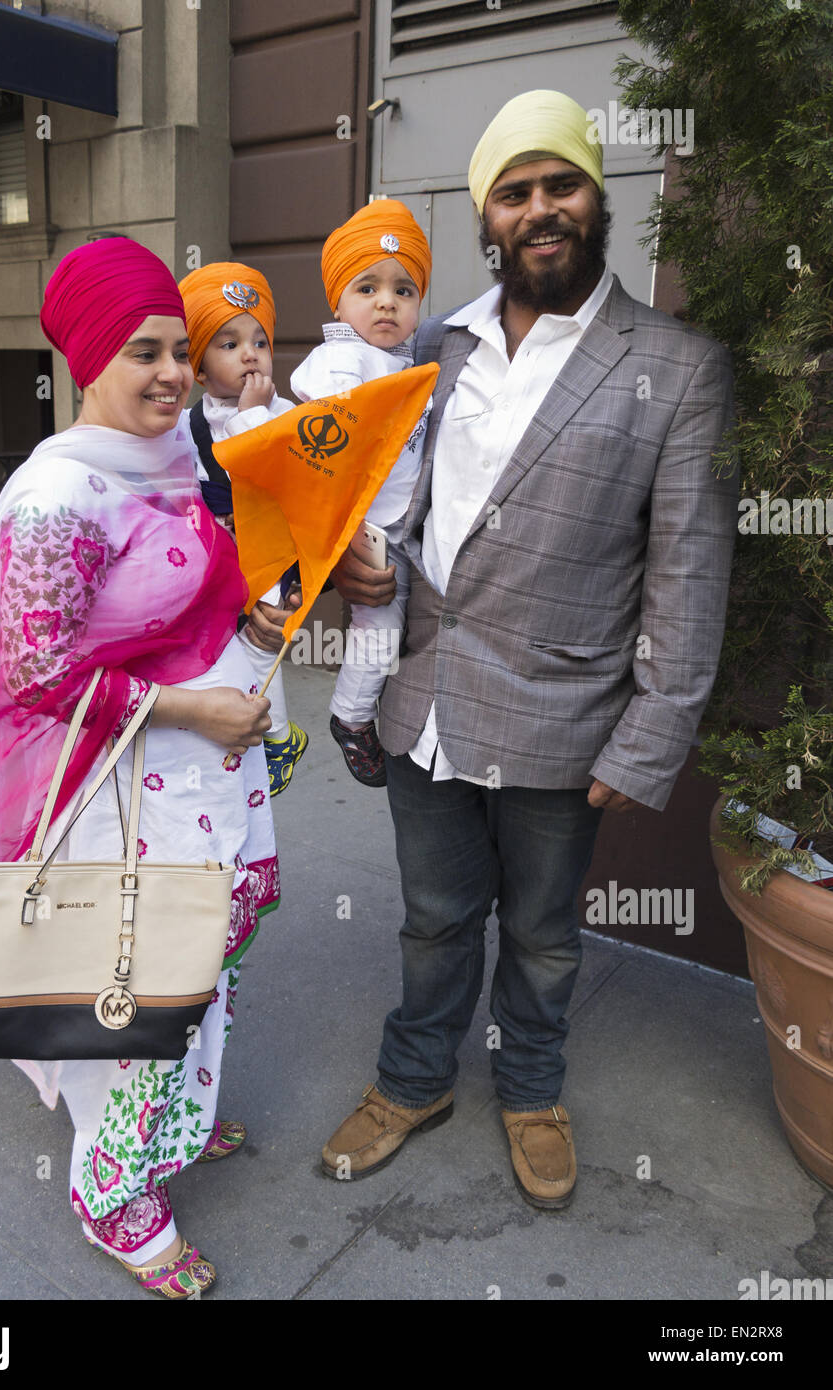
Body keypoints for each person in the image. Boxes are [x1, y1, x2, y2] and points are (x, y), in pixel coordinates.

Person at [323, 90, 739, 1208]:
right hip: (425, 700)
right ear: (485, 218)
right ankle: (415, 1079)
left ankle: (532, 1088)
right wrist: (349, 568)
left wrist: (650, 738)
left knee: (546, 936)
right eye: (515, 192)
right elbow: (367, 499)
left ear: (600, 200)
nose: (540, 209)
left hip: (566, 716)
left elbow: (690, 575)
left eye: (562, 185)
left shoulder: (677, 366)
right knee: (432, 917)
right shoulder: (427, 346)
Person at [0, 237, 279, 1298]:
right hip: (130, 796)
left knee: (198, 973)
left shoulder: (173, 457)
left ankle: (174, 1119)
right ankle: (113, 1194)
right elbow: (38, 677)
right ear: (90, 357)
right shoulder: (60, 498)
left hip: (207, 778)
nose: (175, 374)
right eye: (145, 352)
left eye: (182, 350)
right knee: (147, 995)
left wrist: (254, 618)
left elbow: (189, 598)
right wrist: (196, 705)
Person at [290, 201, 432, 787]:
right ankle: (350, 718)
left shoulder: (409, 362)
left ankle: (358, 712)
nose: (386, 301)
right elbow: (327, 433)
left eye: (404, 290)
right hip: (365, 528)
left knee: (394, 629)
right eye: (367, 286)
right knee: (381, 632)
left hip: (404, 524)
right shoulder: (343, 360)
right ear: (338, 302)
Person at [177, 261, 307, 796]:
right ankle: (248, 734)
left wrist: (254, 416)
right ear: (201, 370)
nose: (249, 353)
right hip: (222, 562)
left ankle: (279, 736)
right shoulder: (190, 425)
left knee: (261, 644)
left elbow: (286, 480)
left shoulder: (286, 413)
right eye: (228, 344)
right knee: (224, 655)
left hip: (274, 551)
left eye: (259, 341)